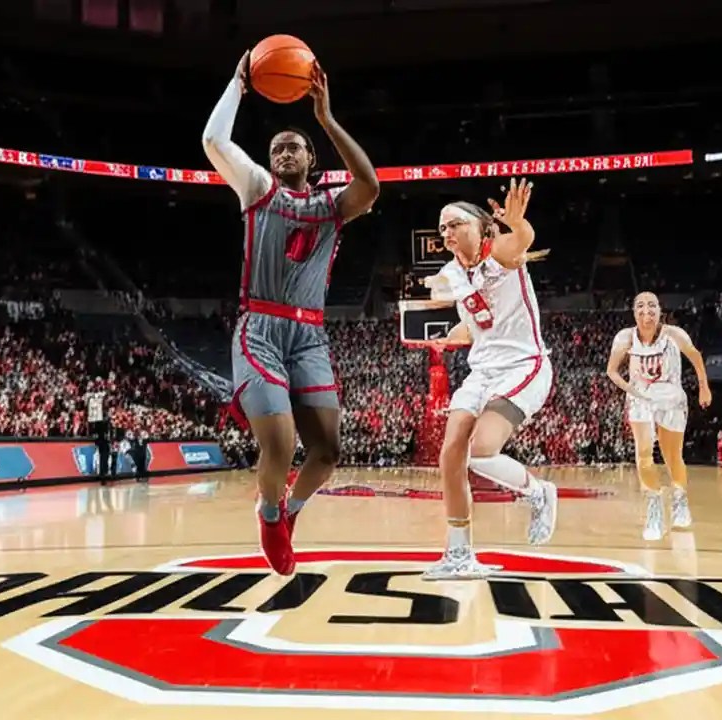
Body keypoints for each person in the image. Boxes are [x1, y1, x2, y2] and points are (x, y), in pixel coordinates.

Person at [201, 51, 380, 575]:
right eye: (277, 146)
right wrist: (237, 84)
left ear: (310, 159)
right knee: (279, 442)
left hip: (309, 338)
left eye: (294, 146)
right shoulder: (256, 187)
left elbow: (369, 186)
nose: (283, 151)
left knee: (326, 451)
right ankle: (269, 511)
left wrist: (326, 119)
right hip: (259, 327)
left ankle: (291, 508)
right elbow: (214, 141)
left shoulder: (331, 204)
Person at [419, 178, 558, 581]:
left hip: (523, 365)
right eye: (442, 227)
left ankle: (538, 492)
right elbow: (474, 324)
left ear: (482, 227)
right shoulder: (451, 273)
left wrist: (518, 223)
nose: (447, 232)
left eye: (456, 224)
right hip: (482, 370)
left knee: (481, 449)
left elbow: (522, 241)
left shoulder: (499, 251)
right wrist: (449, 339)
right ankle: (460, 555)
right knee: (450, 455)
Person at [606, 292, 712, 541]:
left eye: (651, 305)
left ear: (659, 310)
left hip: (671, 396)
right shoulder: (625, 337)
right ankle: (654, 506)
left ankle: (679, 498)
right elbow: (611, 371)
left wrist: (703, 386)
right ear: (634, 312)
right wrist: (631, 390)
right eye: (640, 306)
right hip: (640, 398)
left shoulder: (674, 334)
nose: (646, 310)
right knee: (643, 454)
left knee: (672, 456)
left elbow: (696, 357)